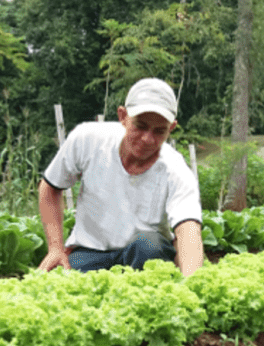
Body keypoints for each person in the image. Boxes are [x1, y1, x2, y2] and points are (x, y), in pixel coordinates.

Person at [36, 78, 204, 276]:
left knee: (148, 246)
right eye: (140, 126)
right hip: (91, 251)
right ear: (123, 116)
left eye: (159, 131)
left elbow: (188, 228)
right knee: (66, 279)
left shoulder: (175, 168)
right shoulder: (88, 140)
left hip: (145, 254)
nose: (147, 139)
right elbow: (50, 187)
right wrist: (55, 248)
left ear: (171, 128)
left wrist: (191, 282)